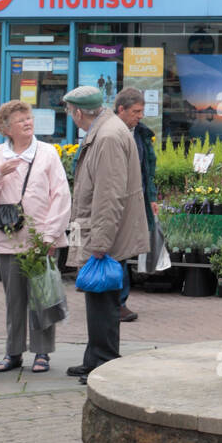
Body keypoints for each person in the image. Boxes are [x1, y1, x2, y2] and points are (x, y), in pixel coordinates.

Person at [0, 100, 71, 373]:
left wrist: (50, 237)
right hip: (8, 241)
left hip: (40, 242)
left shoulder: (48, 154)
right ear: (6, 128)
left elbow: (61, 196)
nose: (28, 122)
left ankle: (42, 353)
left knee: (42, 298)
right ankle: (13, 353)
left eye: (29, 117)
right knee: (14, 301)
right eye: (21, 119)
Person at [63, 86, 150, 385]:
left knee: (103, 301)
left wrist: (100, 242)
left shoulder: (108, 136)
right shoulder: (107, 130)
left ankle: (103, 363)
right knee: (99, 299)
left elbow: (109, 195)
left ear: (77, 112)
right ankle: (94, 359)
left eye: (69, 112)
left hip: (108, 237)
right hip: (108, 233)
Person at [112, 86, 158, 321]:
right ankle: (115, 301)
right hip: (113, 201)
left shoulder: (140, 133)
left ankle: (117, 300)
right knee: (116, 249)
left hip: (135, 200)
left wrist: (151, 197)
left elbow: (148, 168)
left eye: (142, 111)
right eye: (136, 111)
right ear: (121, 109)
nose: (140, 116)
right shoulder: (106, 133)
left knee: (126, 248)